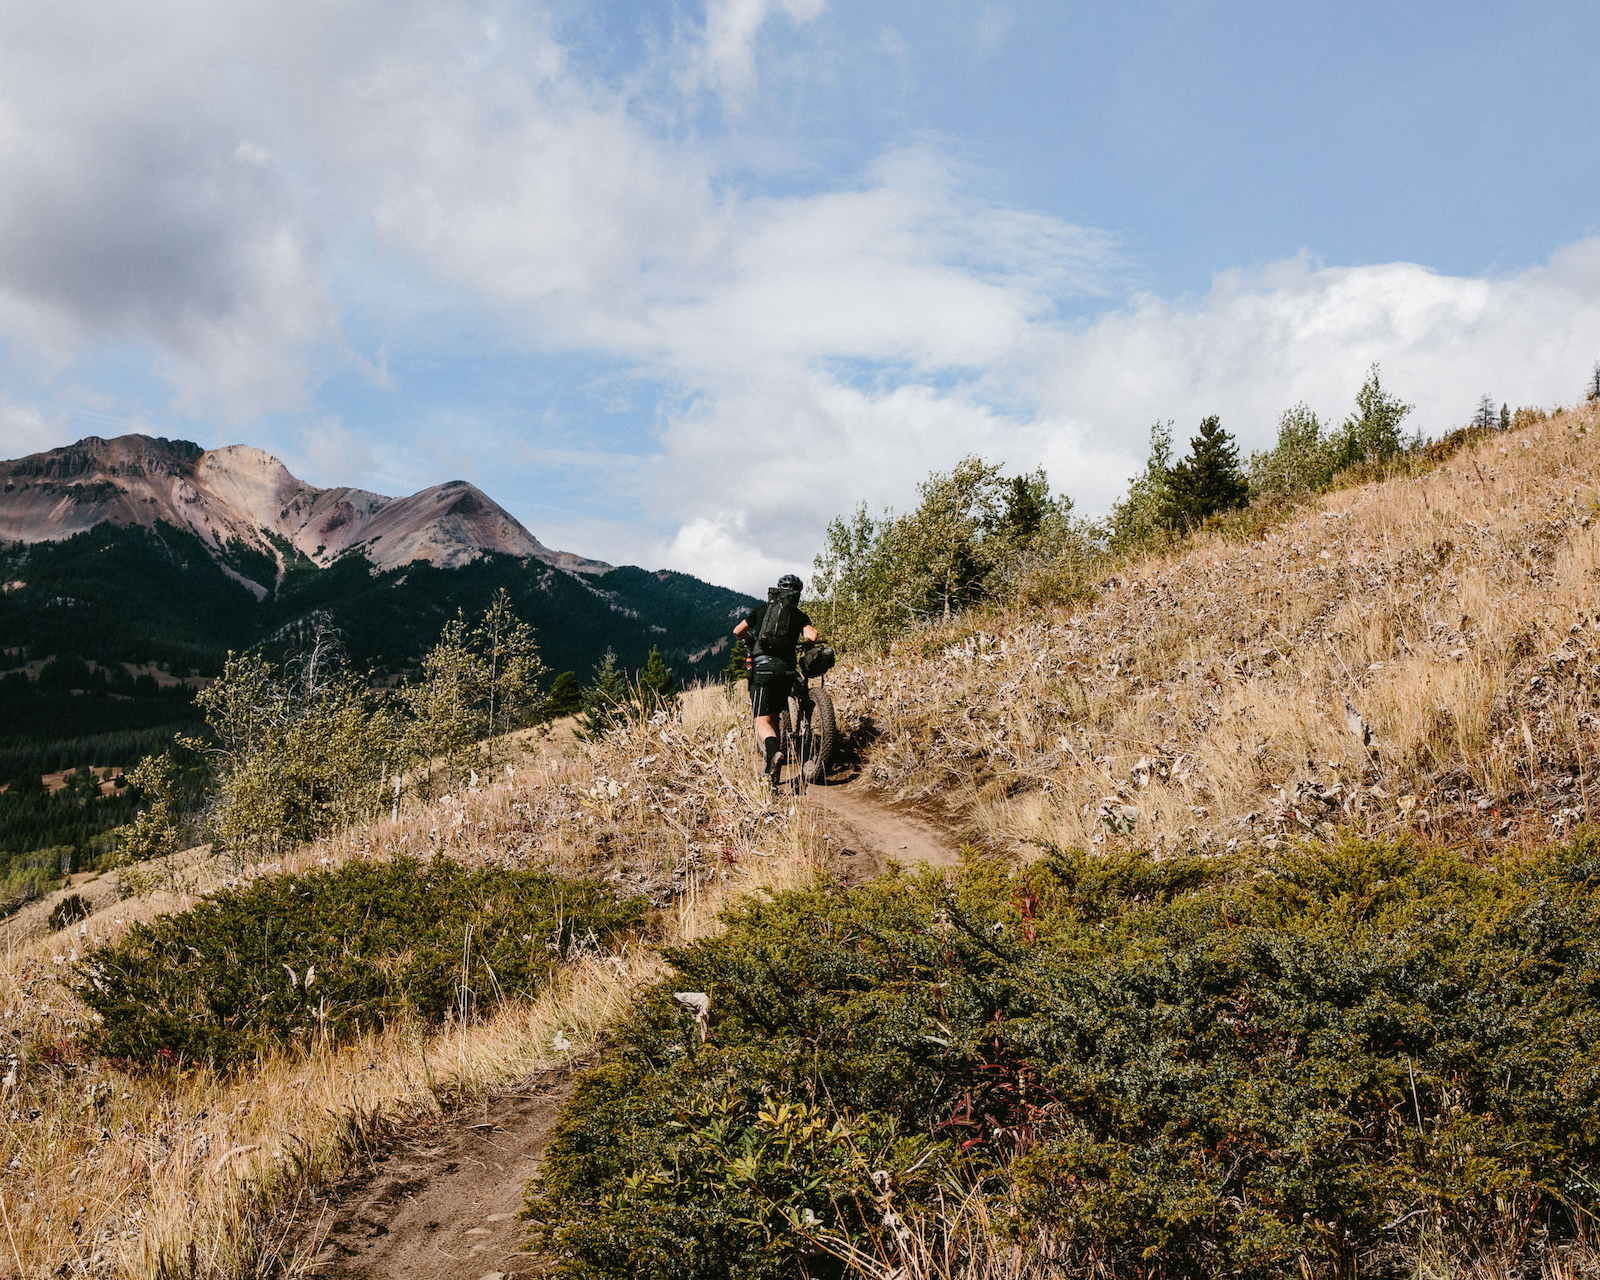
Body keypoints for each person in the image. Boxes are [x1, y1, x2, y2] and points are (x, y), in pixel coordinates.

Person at [733, 573, 819, 781]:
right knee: (775, 718)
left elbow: (737, 631)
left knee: (762, 720)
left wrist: (750, 640)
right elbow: (812, 636)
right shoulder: (798, 615)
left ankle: (773, 753)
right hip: (786, 671)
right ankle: (774, 773)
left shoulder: (763, 610)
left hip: (762, 669)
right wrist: (806, 644)